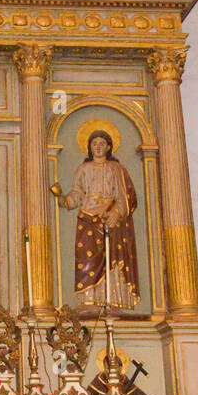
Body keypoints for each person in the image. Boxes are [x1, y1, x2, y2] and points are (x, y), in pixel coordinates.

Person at [55, 129, 140, 311]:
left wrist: (116, 213)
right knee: (87, 259)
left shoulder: (116, 169)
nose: (98, 147)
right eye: (94, 144)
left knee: (112, 257)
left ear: (109, 146)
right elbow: (78, 193)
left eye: (102, 143)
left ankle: (111, 298)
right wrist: (65, 200)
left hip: (109, 219)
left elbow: (126, 195)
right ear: (89, 147)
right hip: (87, 218)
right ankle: (90, 299)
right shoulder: (83, 169)